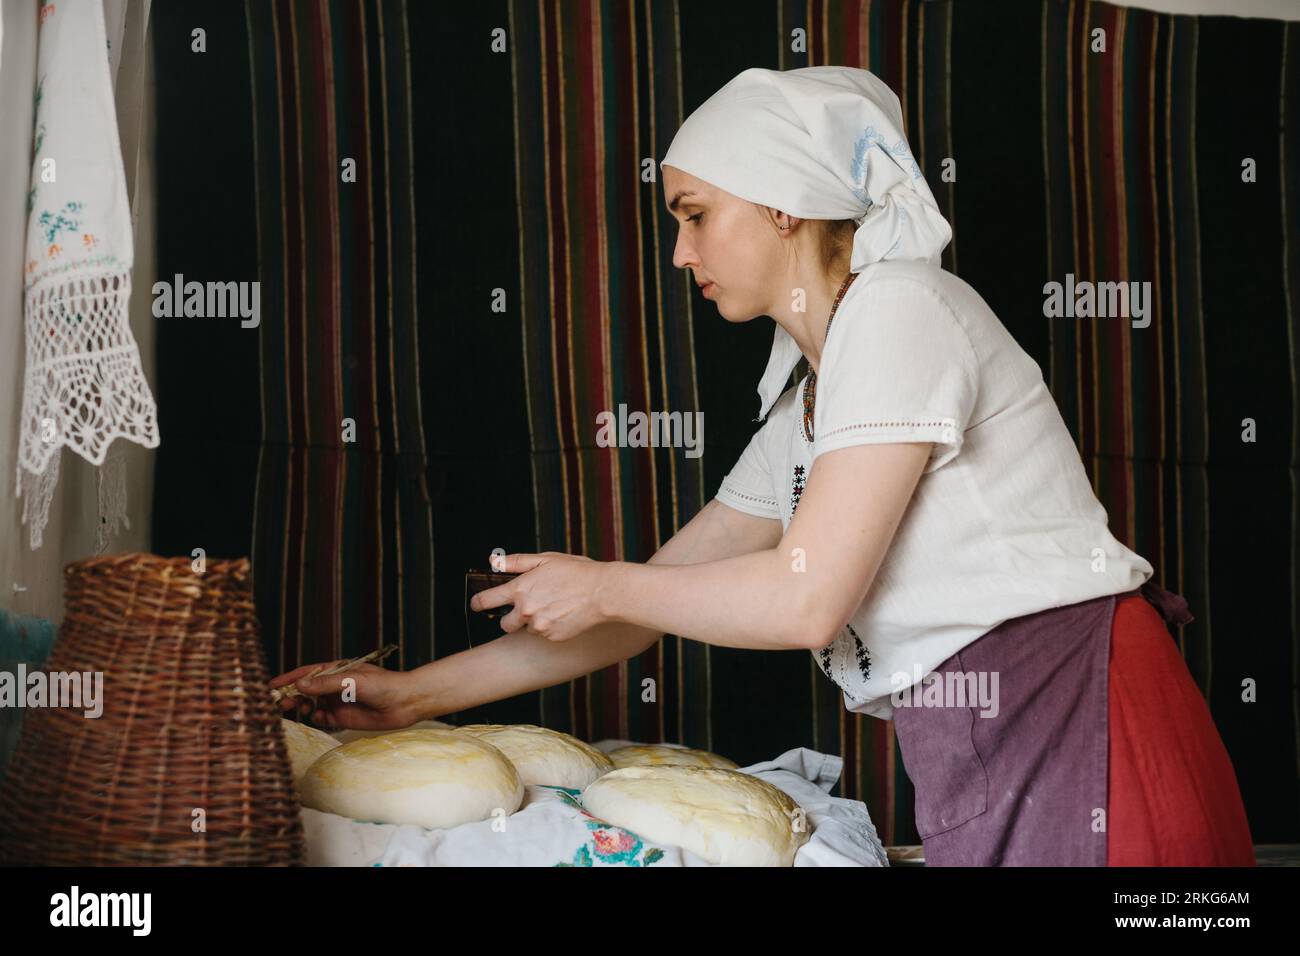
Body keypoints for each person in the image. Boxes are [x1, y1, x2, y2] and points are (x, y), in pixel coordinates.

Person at [274, 66, 1254, 866]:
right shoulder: (808, 402)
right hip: (978, 745)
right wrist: (407, 697)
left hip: (1088, 729)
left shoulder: (901, 308)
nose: (677, 250)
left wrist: (603, 582)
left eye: (695, 214)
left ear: (785, 206)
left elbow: (803, 601)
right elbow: (640, 611)